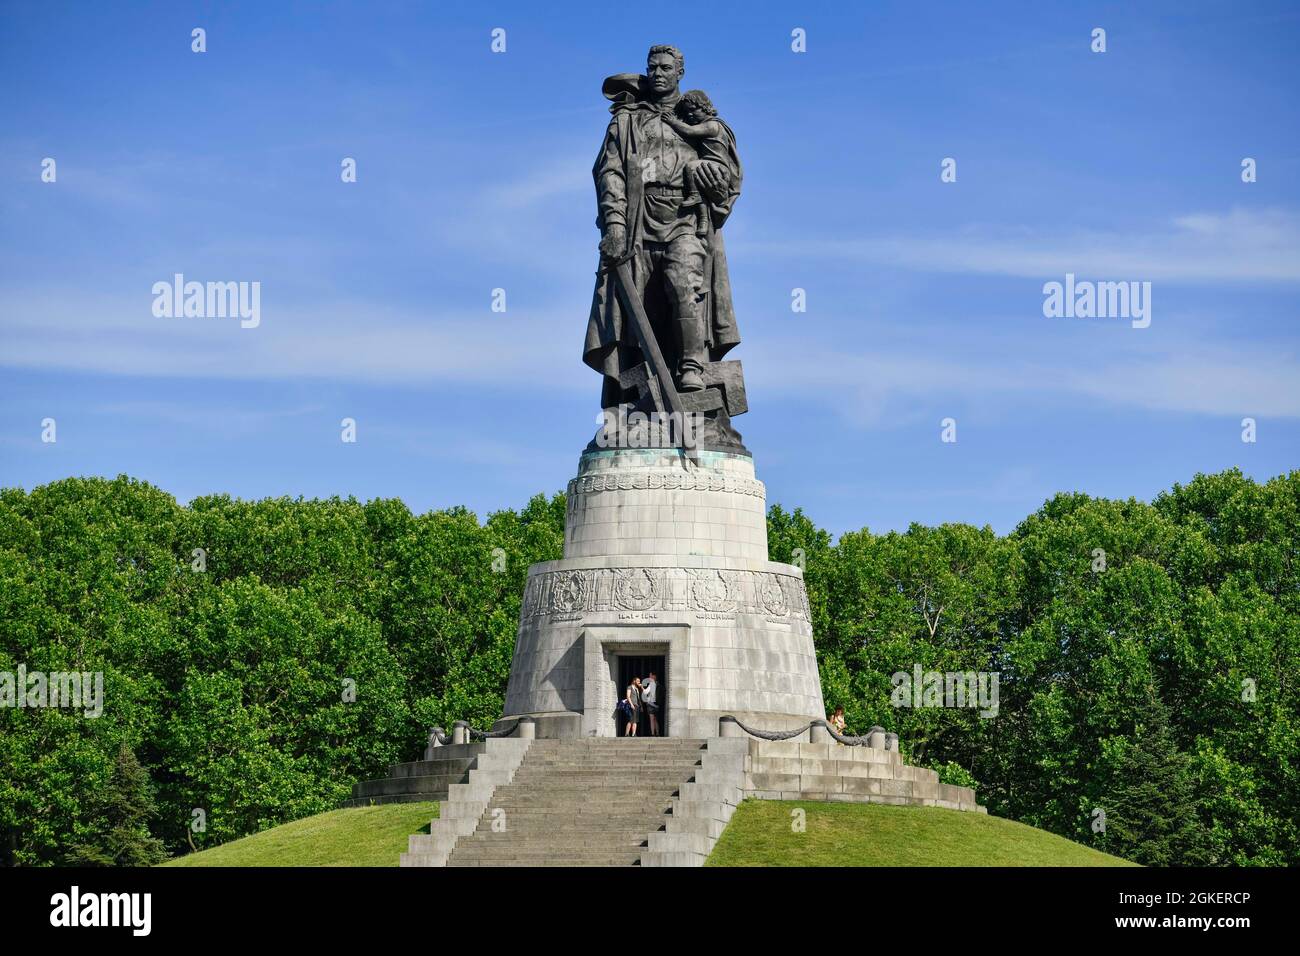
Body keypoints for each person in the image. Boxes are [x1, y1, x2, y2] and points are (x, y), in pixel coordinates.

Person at [662, 89, 731, 238]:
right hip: (708, 166)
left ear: (705, 107)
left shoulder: (712, 125)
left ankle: (694, 195)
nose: (690, 115)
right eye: (687, 112)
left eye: (693, 111)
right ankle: (703, 221)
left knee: (691, 166)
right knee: (702, 193)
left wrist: (673, 122)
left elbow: (689, 132)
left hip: (716, 167)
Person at [642, 671, 660, 736]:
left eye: (650, 676)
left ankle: (653, 733)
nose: (649, 677)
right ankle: (657, 732)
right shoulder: (658, 684)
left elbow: (645, 692)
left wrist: (641, 687)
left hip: (651, 704)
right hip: (657, 704)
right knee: (656, 719)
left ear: (654, 677)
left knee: (652, 719)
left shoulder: (651, 684)